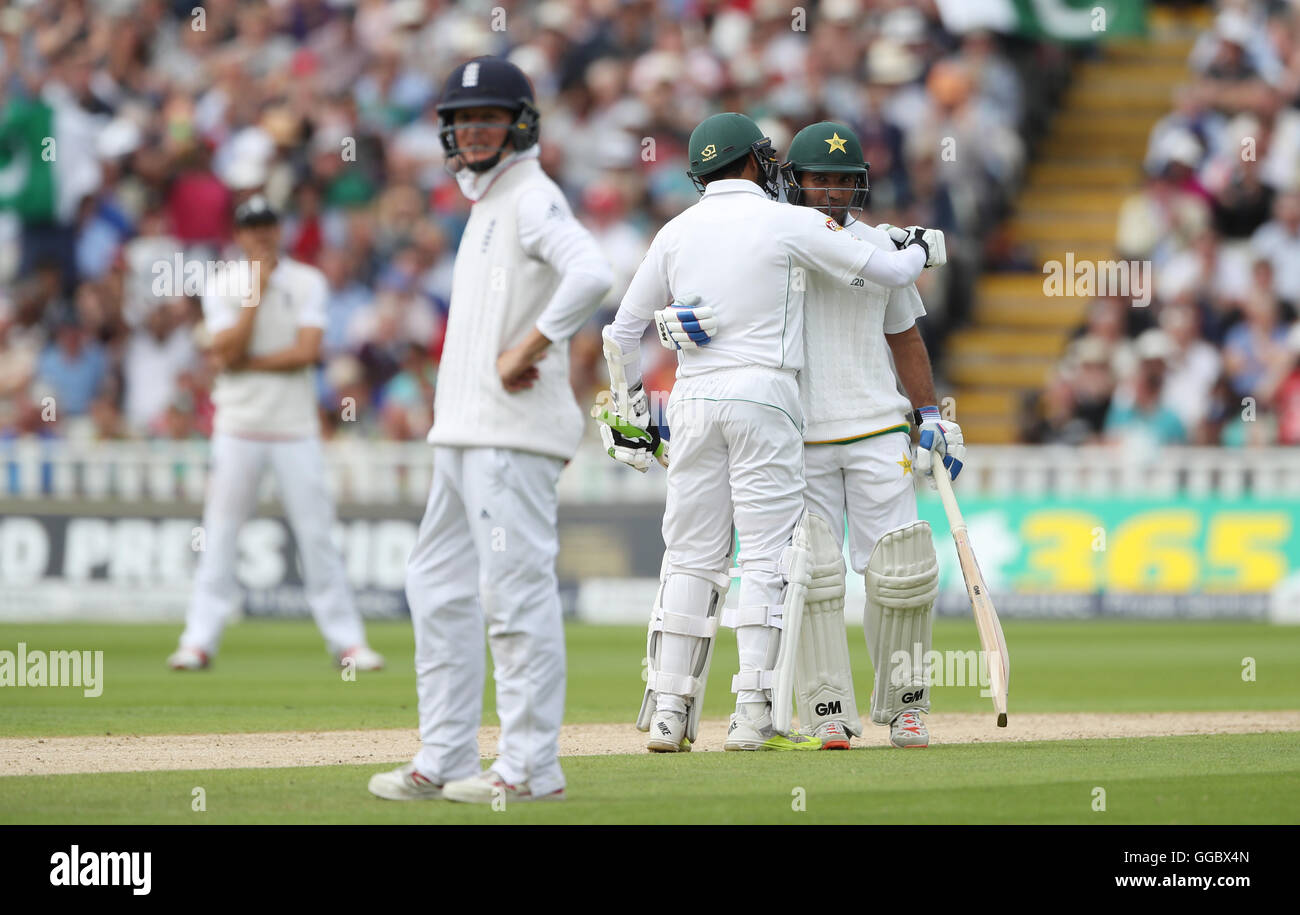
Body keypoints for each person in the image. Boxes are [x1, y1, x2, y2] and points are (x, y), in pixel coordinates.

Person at [603, 112, 944, 754]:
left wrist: (631, 417)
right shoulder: (791, 225)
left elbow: (621, 331)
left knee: (889, 573)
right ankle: (787, 713)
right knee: (784, 564)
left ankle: (899, 708)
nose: (831, 194)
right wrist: (924, 248)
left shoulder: (682, 230)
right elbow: (891, 272)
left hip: (754, 408)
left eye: (843, 181)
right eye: (818, 179)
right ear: (771, 167)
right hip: (781, 413)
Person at [367, 58, 612, 804]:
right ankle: (442, 756)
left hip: (513, 436)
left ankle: (531, 767)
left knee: (513, 595)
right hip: (464, 434)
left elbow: (593, 273)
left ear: (521, 124)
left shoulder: (533, 197)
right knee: (436, 586)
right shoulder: (488, 203)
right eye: (462, 120)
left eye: (487, 118)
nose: (472, 130)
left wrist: (529, 346)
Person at [167, 195, 384, 673]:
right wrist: (256, 294)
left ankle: (347, 643)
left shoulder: (309, 282)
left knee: (317, 535)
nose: (261, 234)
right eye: (252, 227)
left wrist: (246, 363)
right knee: (220, 533)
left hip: (295, 428)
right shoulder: (224, 283)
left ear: (279, 229)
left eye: (268, 225)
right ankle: (198, 641)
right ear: (239, 234)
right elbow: (226, 347)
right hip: (238, 427)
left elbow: (305, 353)